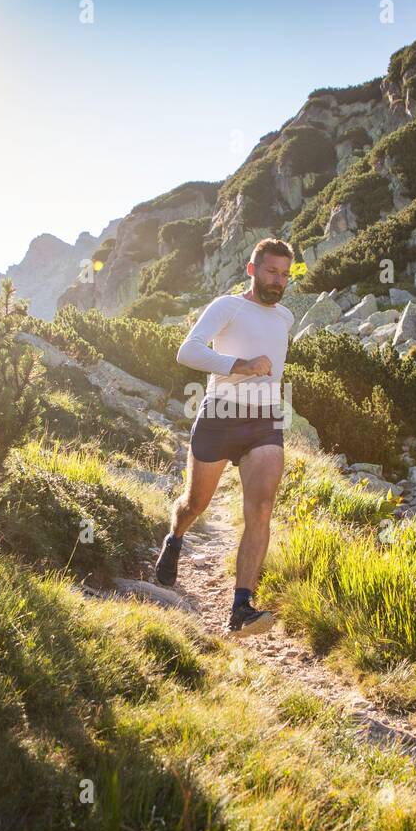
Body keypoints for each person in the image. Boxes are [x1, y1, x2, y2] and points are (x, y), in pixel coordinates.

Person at [154, 237, 296, 637]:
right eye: (271, 271)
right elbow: (188, 351)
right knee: (195, 503)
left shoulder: (284, 316)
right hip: (219, 415)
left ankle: (241, 606)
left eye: (285, 274)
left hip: (265, 420)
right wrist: (239, 364)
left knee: (263, 506)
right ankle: (175, 538)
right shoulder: (226, 306)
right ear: (252, 269)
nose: (278, 280)